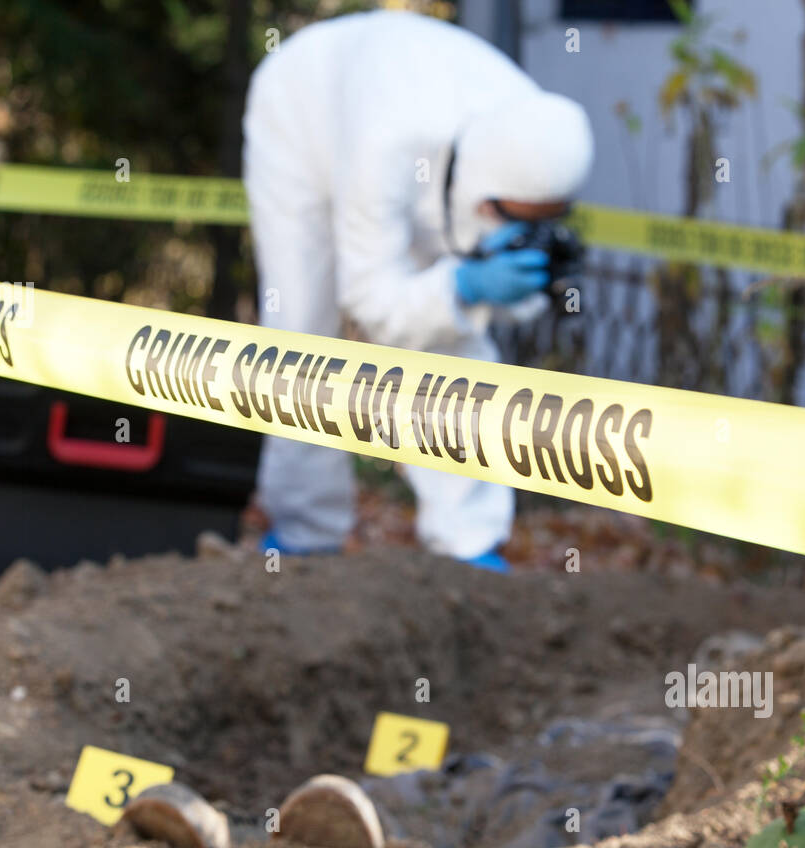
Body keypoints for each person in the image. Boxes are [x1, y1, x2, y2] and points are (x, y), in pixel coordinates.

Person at [242, 9, 594, 571]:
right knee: (301, 329)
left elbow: (460, 317)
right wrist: (464, 284)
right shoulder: (387, 143)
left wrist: (500, 286)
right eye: (513, 220)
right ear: (485, 199)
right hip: (304, 114)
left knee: (449, 336)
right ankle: (307, 529)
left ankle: (468, 542)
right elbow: (373, 301)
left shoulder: (533, 128)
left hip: (419, 143)